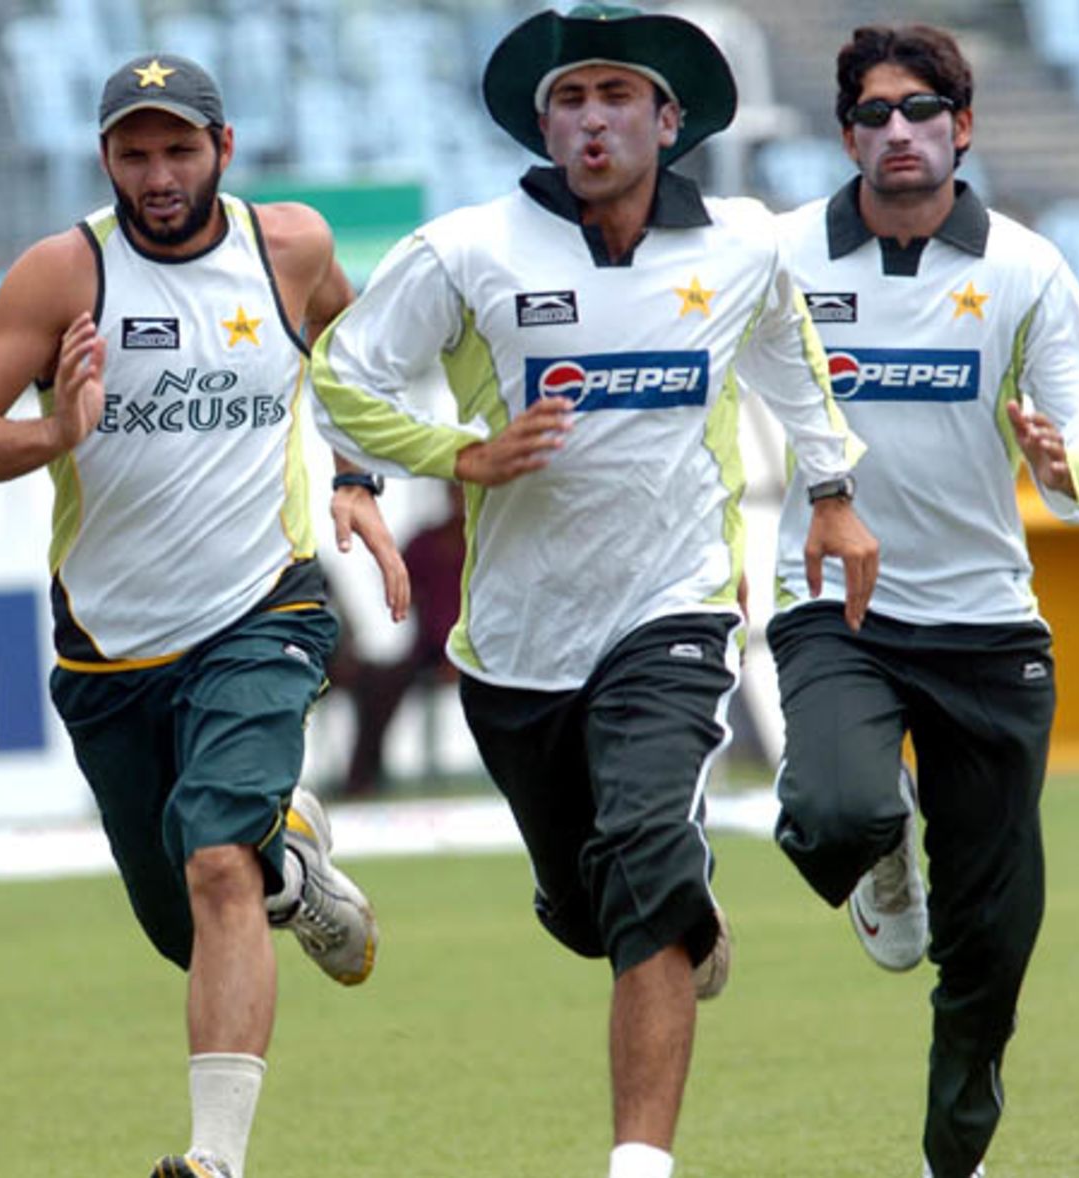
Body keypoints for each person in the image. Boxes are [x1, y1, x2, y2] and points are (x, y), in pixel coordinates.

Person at [308, 7, 879, 1177]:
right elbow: (342, 375)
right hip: (515, 643)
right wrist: (454, 453)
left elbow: (792, 356)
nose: (592, 119)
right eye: (571, 99)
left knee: (648, 856)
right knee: (592, 911)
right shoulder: (467, 248)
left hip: (673, 606)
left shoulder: (744, 245)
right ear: (543, 122)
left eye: (618, 95)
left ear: (669, 121)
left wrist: (831, 488)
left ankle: (638, 1161)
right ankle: (675, 912)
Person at [0, 53, 411, 1178]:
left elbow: (355, 358)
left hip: (260, 608)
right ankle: (293, 864)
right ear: (104, 160)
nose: (157, 173)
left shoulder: (290, 246)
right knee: (187, 921)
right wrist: (55, 433)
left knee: (215, 860)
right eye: (134, 153)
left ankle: (214, 1160)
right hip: (108, 649)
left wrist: (356, 478)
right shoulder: (62, 275)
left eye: (178, 149)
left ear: (223, 151)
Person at [763, 24, 1079, 1178]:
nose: (898, 131)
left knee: (992, 949)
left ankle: (948, 1162)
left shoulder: (1023, 264)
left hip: (988, 623)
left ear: (962, 127)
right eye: (874, 113)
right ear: (846, 131)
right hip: (835, 601)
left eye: (922, 110)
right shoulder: (779, 258)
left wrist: (1071, 469)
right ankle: (879, 854)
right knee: (834, 810)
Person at [338, 481, 467, 796]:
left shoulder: (487, 538)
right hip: (430, 648)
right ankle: (363, 777)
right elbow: (400, 590)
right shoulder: (426, 542)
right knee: (380, 680)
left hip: (480, 646)